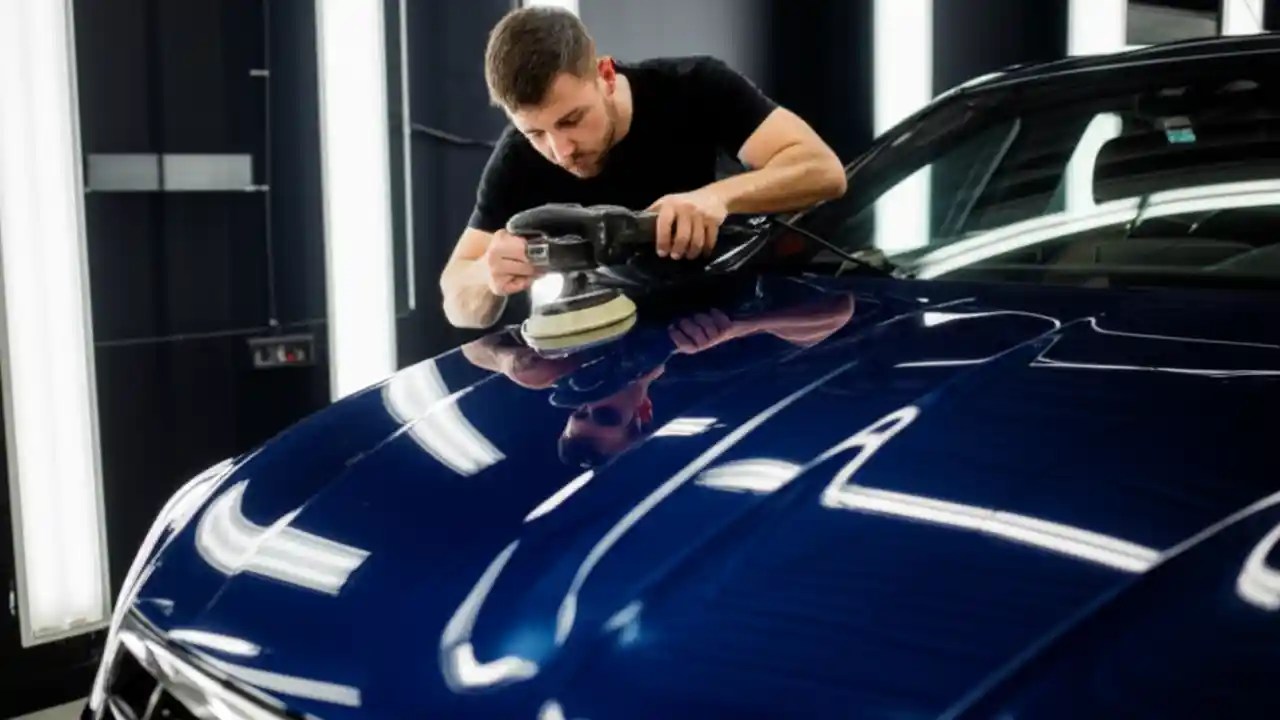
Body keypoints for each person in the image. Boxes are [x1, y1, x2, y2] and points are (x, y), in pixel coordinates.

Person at [440, 6, 849, 329]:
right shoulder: (517, 158)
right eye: (535, 132)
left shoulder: (696, 87)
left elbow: (824, 171)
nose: (560, 150)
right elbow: (457, 300)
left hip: (743, 310)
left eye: (571, 120)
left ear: (605, 74)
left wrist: (717, 198)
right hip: (622, 341)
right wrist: (486, 276)